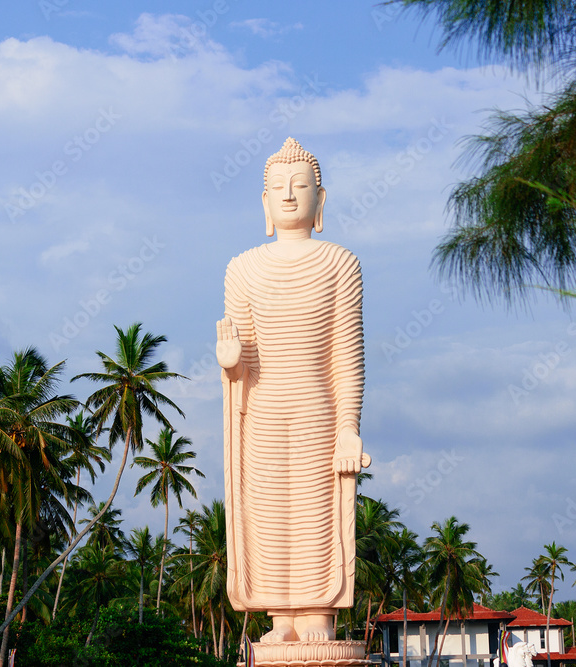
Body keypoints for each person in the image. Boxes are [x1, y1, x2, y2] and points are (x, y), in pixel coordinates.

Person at [217, 138, 368, 643]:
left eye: (299, 186)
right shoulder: (242, 269)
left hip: (316, 410)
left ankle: (317, 611)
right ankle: (280, 616)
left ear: (319, 200)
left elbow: (346, 354)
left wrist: (348, 426)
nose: (288, 195)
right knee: (268, 513)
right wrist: (231, 362)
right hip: (262, 410)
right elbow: (243, 359)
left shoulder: (340, 263)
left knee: (315, 511)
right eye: (278, 187)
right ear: (264, 202)